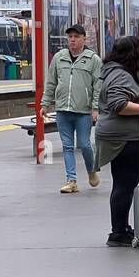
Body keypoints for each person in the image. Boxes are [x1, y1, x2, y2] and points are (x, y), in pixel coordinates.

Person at [94, 36, 139, 247]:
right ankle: (118, 231)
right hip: (124, 139)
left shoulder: (114, 71)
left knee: (123, 184)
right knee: (124, 185)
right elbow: (118, 103)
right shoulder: (121, 75)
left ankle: (120, 228)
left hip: (122, 137)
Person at [42, 21, 102, 194]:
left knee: (84, 144)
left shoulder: (93, 60)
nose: (72, 40)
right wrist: (45, 104)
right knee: (67, 146)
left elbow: (97, 86)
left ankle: (91, 171)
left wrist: (95, 108)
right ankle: (71, 180)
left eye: (76, 37)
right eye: (70, 37)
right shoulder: (59, 58)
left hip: (83, 111)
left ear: (84, 38)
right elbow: (51, 82)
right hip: (63, 110)